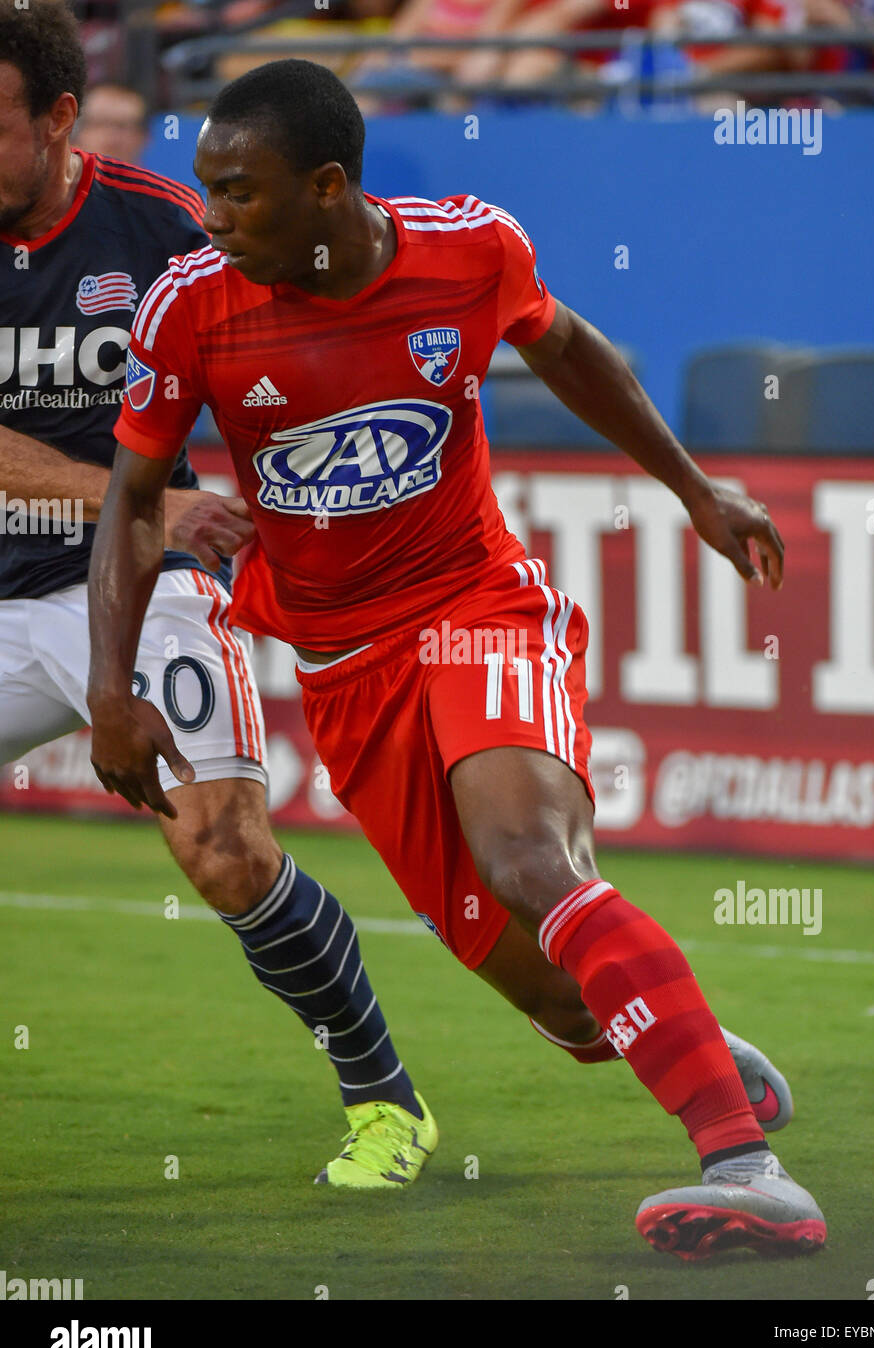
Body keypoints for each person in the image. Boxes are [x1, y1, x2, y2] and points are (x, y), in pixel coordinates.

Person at [88, 57, 827, 1260]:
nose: (211, 219)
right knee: (557, 998)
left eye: (239, 194)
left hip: (476, 606)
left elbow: (571, 346)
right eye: (204, 190)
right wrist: (109, 687)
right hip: (340, 666)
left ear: (328, 187)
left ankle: (748, 1168)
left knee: (531, 856)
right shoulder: (191, 305)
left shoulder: (470, 248)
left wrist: (694, 488)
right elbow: (131, 502)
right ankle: (688, 1037)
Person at [0, 0, 437, 1188]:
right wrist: (146, 496)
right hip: (19, 593)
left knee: (228, 852)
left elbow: (300, 342)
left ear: (59, 119)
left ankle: (386, 1103)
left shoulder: (162, 230)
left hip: (144, 586)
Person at [73, 82, 150, 165]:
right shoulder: (60, 176)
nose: (111, 138)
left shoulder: (159, 177)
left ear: (143, 137)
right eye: (100, 123)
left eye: (122, 126)